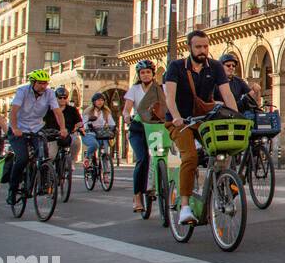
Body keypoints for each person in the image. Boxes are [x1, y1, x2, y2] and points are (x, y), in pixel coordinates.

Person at [164, 31, 239, 225]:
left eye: (205, 46)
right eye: (198, 47)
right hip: (180, 121)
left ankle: (220, 187)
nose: (203, 50)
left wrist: (235, 116)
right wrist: (177, 117)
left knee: (225, 150)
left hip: (204, 119)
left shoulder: (215, 67)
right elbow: (169, 98)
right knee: (190, 156)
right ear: (189, 47)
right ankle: (185, 207)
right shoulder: (176, 67)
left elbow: (227, 94)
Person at [7, 70, 68, 205]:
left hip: (36, 128)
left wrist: (63, 128)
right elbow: (14, 111)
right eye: (40, 83)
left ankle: (43, 184)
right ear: (33, 82)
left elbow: (58, 113)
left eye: (45, 83)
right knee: (22, 158)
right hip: (18, 128)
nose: (43, 86)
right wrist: (15, 128)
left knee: (43, 154)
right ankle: (12, 190)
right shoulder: (22, 91)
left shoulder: (50, 93)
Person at [122, 60, 159, 213]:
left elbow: (168, 105)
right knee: (142, 159)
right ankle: (137, 197)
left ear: (153, 74)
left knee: (162, 156)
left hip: (156, 128)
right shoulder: (134, 89)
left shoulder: (159, 89)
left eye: (148, 72)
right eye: (142, 72)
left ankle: (161, 186)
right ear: (139, 75)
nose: (145, 75)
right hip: (138, 128)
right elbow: (127, 109)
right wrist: (126, 116)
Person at [80, 92, 116, 171]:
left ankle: (106, 172)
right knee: (94, 144)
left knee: (106, 152)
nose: (100, 102)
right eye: (98, 100)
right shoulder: (88, 112)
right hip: (89, 133)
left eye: (102, 100)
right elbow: (84, 124)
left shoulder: (106, 112)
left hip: (101, 134)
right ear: (94, 102)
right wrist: (87, 127)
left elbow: (112, 123)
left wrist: (113, 128)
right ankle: (87, 158)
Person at [55, 86, 83, 166]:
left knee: (76, 141)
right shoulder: (51, 109)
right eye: (60, 97)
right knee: (51, 155)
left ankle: (73, 161)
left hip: (69, 133)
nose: (63, 99)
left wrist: (80, 127)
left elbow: (79, 122)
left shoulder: (72, 110)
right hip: (54, 134)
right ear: (55, 98)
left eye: (65, 97)